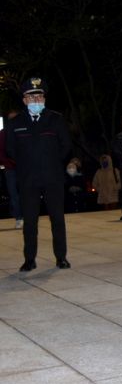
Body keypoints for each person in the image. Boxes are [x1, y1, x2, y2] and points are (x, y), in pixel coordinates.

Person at [7, 77, 72, 272]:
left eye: (40, 96)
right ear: (24, 100)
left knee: (57, 219)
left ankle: (61, 257)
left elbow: (66, 146)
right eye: (32, 97)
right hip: (28, 179)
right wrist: (28, 164)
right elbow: (11, 149)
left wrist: (51, 164)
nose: (36, 100)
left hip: (53, 177)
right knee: (30, 221)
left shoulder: (55, 119)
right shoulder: (15, 122)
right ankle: (29, 259)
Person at [0, 110, 22, 229]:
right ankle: (19, 218)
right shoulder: (4, 133)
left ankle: (27, 216)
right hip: (10, 169)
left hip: (25, 168)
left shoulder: (23, 130)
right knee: (14, 194)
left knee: (26, 193)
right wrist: (8, 163)